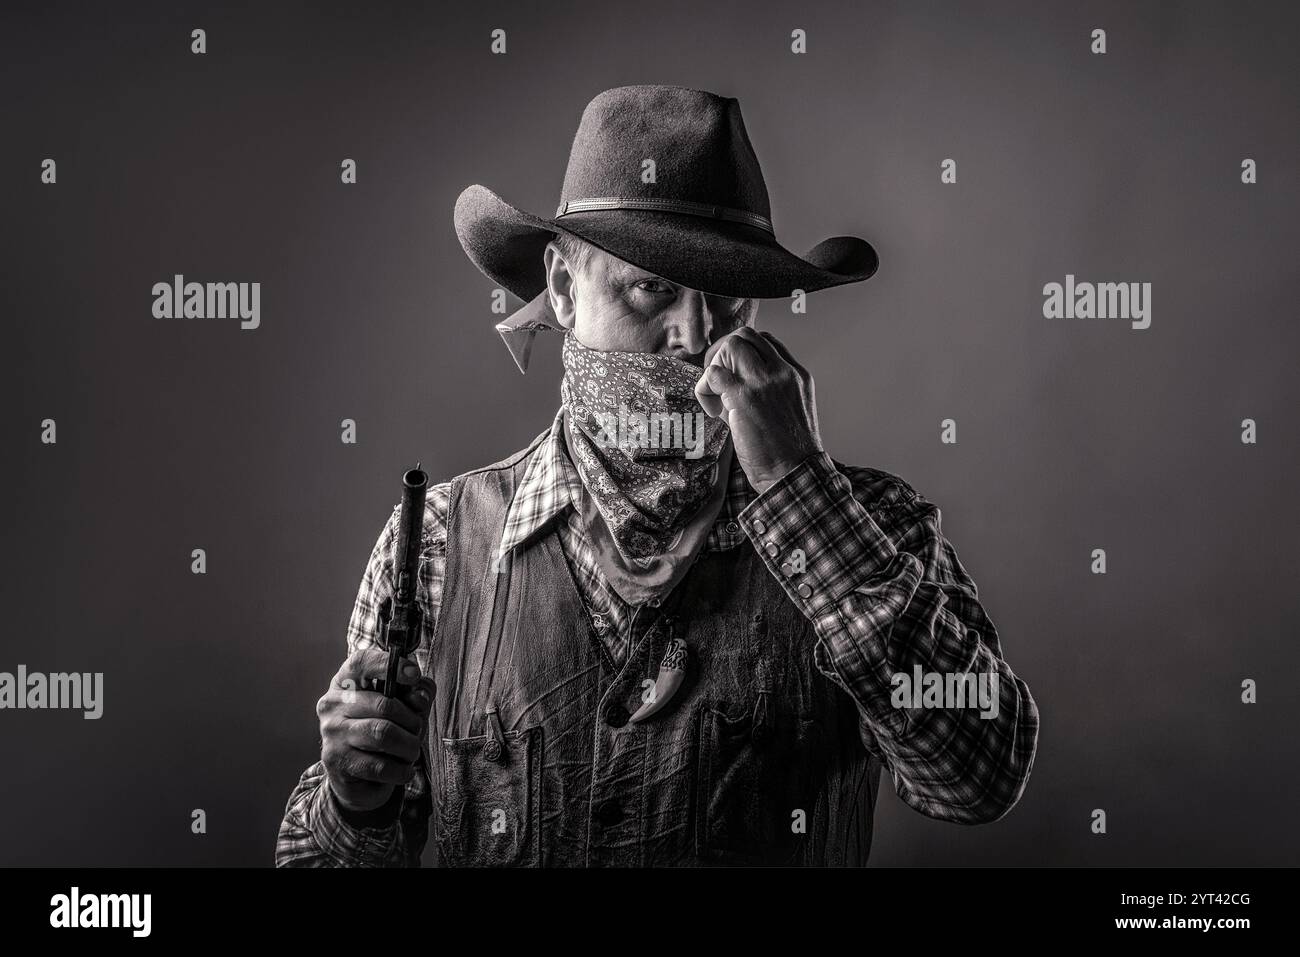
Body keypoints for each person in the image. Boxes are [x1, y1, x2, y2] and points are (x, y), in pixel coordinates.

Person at [276, 84, 1039, 867]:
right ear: (566, 291)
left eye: (726, 295)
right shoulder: (438, 542)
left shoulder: (878, 530)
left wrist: (803, 491)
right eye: (653, 286)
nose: (696, 334)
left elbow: (978, 776)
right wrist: (352, 801)